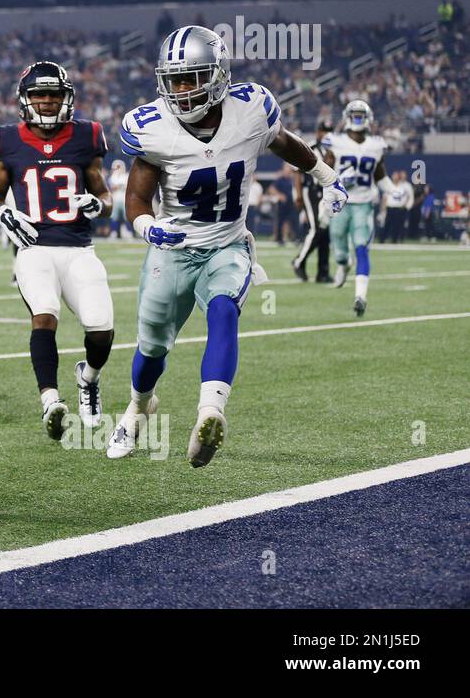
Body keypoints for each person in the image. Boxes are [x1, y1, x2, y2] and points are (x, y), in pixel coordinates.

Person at [111, 25, 348, 466]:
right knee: (151, 349)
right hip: (174, 250)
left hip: (228, 245)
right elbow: (137, 200)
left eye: (192, 77)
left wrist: (324, 175)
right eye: (174, 80)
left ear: (218, 74)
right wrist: (148, 228)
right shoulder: (153, 128)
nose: (181, 90)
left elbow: (283, 142)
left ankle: (209, 414)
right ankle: (139, 406)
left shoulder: (251, 108)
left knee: (224, 310)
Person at [0, 61, 115, 436]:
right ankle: (50, 401)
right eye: (38, 94)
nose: (46, 101)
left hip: (79, 248)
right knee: (44, 314)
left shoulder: (86, 136)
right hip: (34, 247)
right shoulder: (4, 139)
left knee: (100, 327)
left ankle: (88, 379)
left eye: (53, 94)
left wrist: (99, 204)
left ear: (66, 97)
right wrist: (3, 212)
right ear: (25, 99)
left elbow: (104, 194)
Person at [321, 100, 393, 317]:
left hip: (364, 204)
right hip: (341, 202)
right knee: (340, 250)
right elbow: (323, 171)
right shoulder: (335, 142)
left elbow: (380, 175)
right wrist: (340, 178)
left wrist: (393, 190)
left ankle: (360, 296)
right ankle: (344, 264)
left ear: (368, 118)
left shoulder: (376, 145)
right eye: (355, 114)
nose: (358, 118)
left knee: (362, 247)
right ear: (347, 116)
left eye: (362, 114)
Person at [291, 120, 333, 283]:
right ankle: (299, 261)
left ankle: (323, 271)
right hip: (312, 191)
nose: (326, 134)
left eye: (329, 131)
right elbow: (297, 172)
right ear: (318, 132)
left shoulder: (333, 149)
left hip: (326, 193)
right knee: (317, 228)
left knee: (325, 231)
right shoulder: (310, 147)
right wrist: (299, 194)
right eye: (324, 130)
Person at [381, 169, 413, 243]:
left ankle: (394, 240)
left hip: (398, 208)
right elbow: (385, 198)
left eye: (396, 176)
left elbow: (407, 197)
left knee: (396, 225)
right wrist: (383, 208)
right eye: (394, 176)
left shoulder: (402, 187)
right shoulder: (389, 186)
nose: (395, 178)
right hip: (390, 207)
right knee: (387, 224)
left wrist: (404, 205)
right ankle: (382, 239)